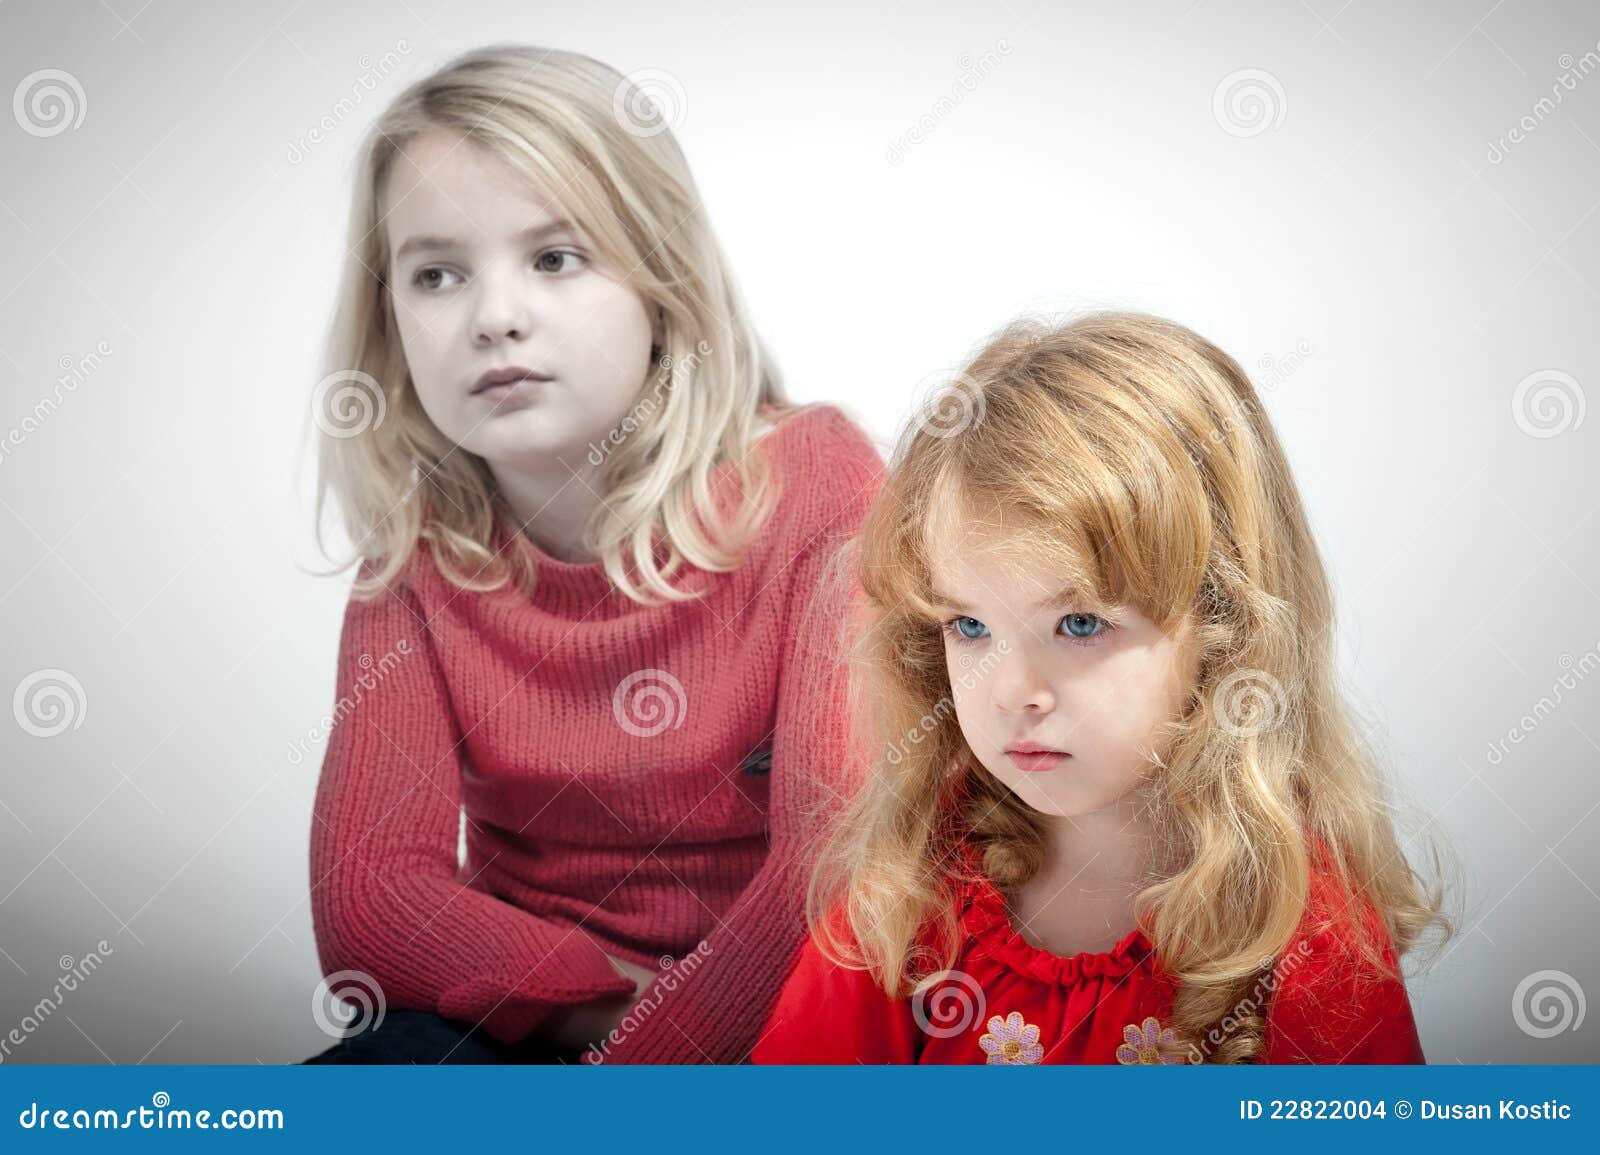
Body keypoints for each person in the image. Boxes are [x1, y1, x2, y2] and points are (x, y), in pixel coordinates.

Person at [302, 43, 883, 1065]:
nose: (496, 319)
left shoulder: (818, 486)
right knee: (374, 1075)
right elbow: (373, 903)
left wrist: (654, 1065)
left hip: (793, 1021)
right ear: (390, 325)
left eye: (555, 258)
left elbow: (831, 867)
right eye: (436, 274)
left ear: (663, 286)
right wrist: (610, 1022)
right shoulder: (420, 555)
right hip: (535, 1014)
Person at [752, 311, 1448, 1065]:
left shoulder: (1303, 933)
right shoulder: (912, 894)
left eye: (1079, 623)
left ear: (1225, 629)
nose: (1012, 692)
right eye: (970, 625)